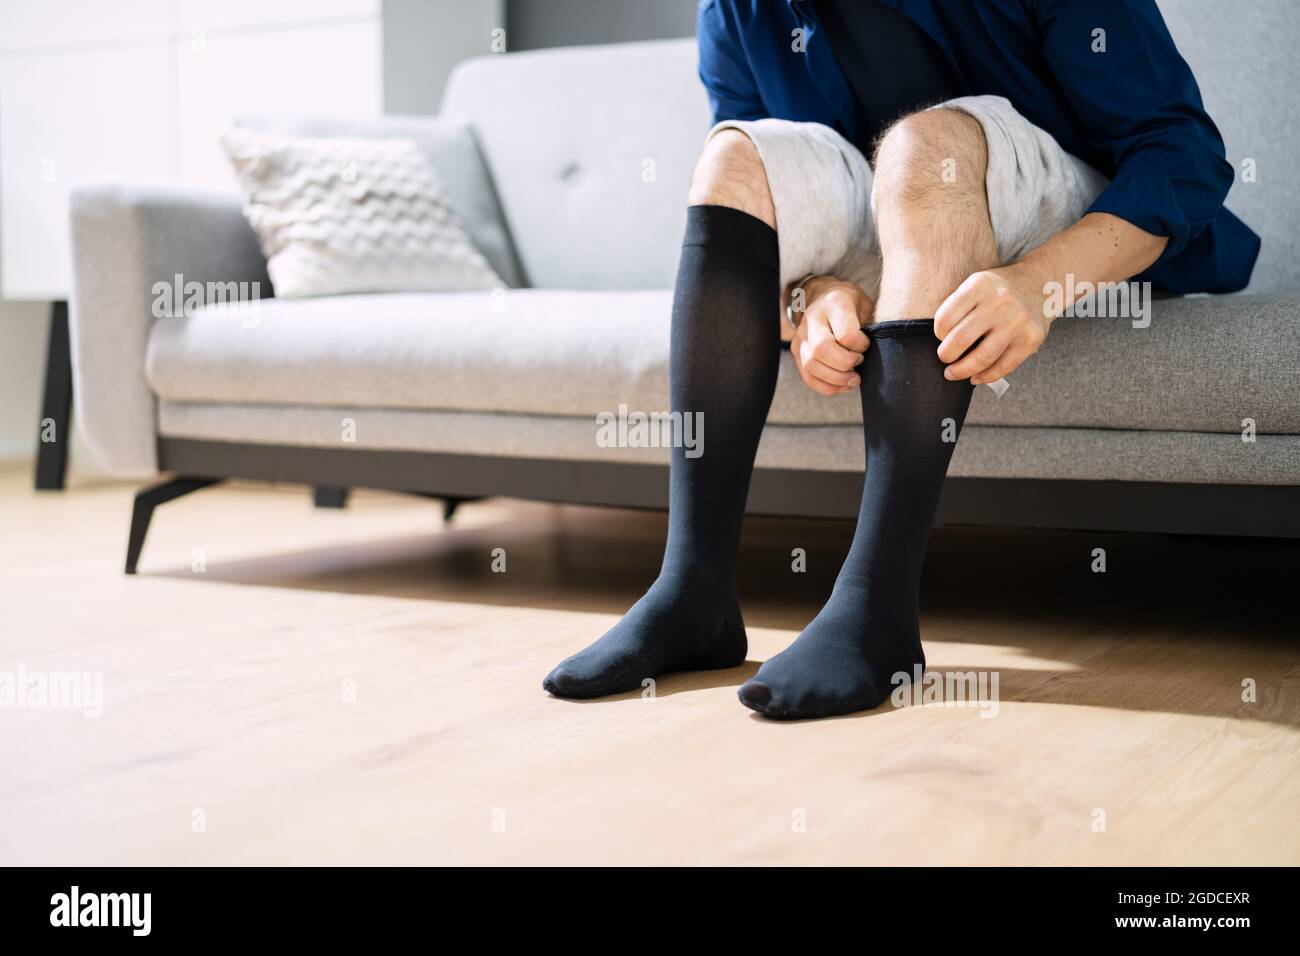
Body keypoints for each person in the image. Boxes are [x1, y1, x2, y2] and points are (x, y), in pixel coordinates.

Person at [543, 0, 1259, 719]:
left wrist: (1043, 283)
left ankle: (875, 611)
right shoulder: (736, 10)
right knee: (733, 154)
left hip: (1063, 212)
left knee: (926, 145)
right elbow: (775, 211)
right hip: (897, 214)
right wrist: (810, 295)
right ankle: (692, 593)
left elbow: (1181, 152)